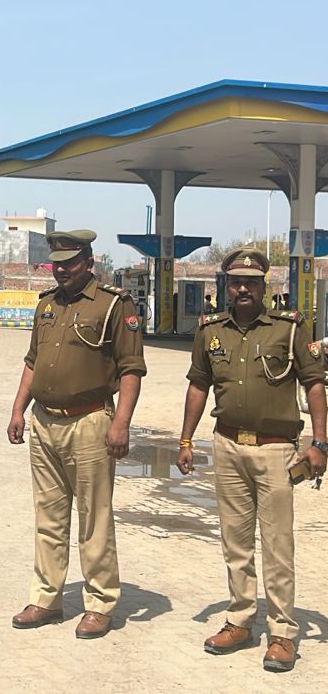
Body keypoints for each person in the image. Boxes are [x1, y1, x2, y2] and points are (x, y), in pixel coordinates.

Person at [177, 247, 326, 672]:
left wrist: (320, 442)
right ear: (226, 285)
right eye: (236, 282)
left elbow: (315, 385)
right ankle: (240, 619)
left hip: (277, 449)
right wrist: (186, 439)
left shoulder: (290, 330)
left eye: (252, 282)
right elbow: (198, 387)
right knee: (235, 541)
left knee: (278, 544)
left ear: (265, 287)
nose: (243, 289)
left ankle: (282, 632)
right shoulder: (210, 331)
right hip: (227, 446)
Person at [6, 230, 146, 639]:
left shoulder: (114, 305)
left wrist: (121, 423)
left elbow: (131, 369)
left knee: (95, 518)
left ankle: (100, 603)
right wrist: (18, 409)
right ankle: (46, 598)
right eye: (57, 263)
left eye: (70, 262)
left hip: (90, 424)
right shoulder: (47, 305)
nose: (62, 269)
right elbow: (33, 362)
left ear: (89, 261)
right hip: (44, 422)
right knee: (48, 517)